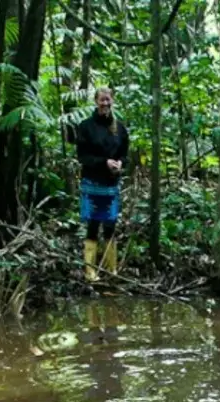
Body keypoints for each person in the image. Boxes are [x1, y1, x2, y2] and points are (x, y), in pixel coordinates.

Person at [76, 87, 130, 281]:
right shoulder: (85, 127)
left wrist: (120, 163)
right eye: (102, 100)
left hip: (111, 185)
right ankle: (90, 271)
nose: (105, 103)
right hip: (92, 183)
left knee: (110, 225)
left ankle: (111, 270)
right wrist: (104, 162)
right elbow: (83, 156)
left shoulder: (120, 128)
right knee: (93, 225)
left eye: (108, 100)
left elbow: (125, 154)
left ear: (112, 101)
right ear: (96, 101)